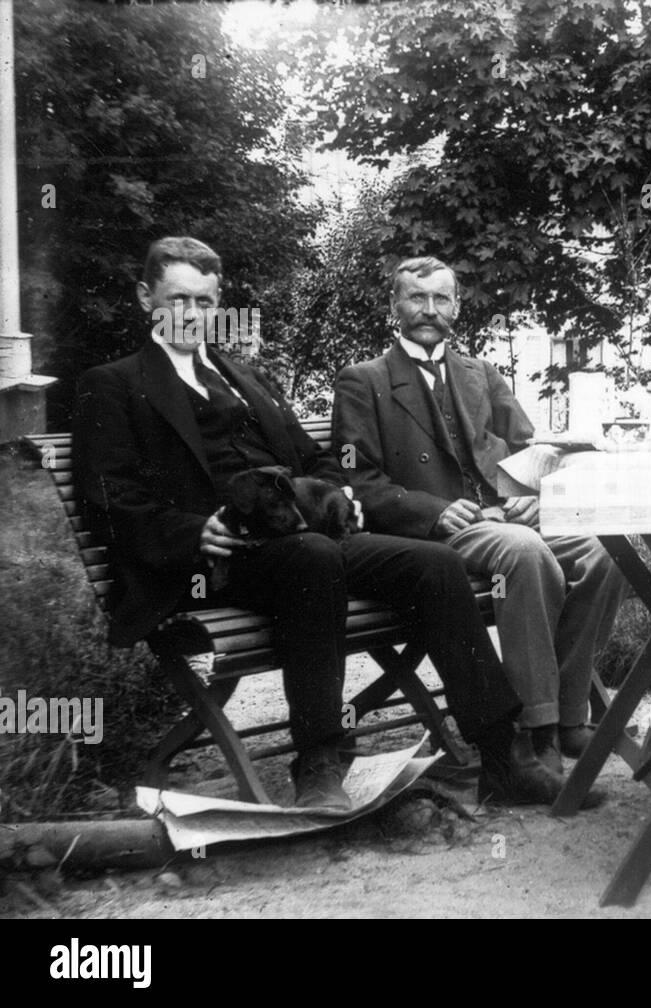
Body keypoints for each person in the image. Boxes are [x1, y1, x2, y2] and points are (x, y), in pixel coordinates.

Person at [76, 237, 579, 813]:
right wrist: (192, 533)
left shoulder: (242, 378)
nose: (192, 315)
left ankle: (500, 757)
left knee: (434, 563)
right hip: (213, 558)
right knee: (312, 557)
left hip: (299, 538)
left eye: (205, 302)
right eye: (177, 300)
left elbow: (311, 461)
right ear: (147, 298)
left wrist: (341, 494)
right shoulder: (112, 383)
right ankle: (318, 760)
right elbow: (110, 499)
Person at [332, 256, 627, 774]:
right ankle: (536, 731)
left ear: (457, 307)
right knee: (525, 552)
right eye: (415, 298)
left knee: (606, 552)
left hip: (503, 516)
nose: (429, 310)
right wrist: (435, 510)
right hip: (435, 535)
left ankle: (568, 714)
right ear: (393, 306)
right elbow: (356, 479)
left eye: (440, 298)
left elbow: (532, 451)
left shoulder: (481, 373)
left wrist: (536, 493)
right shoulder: (364, 381)